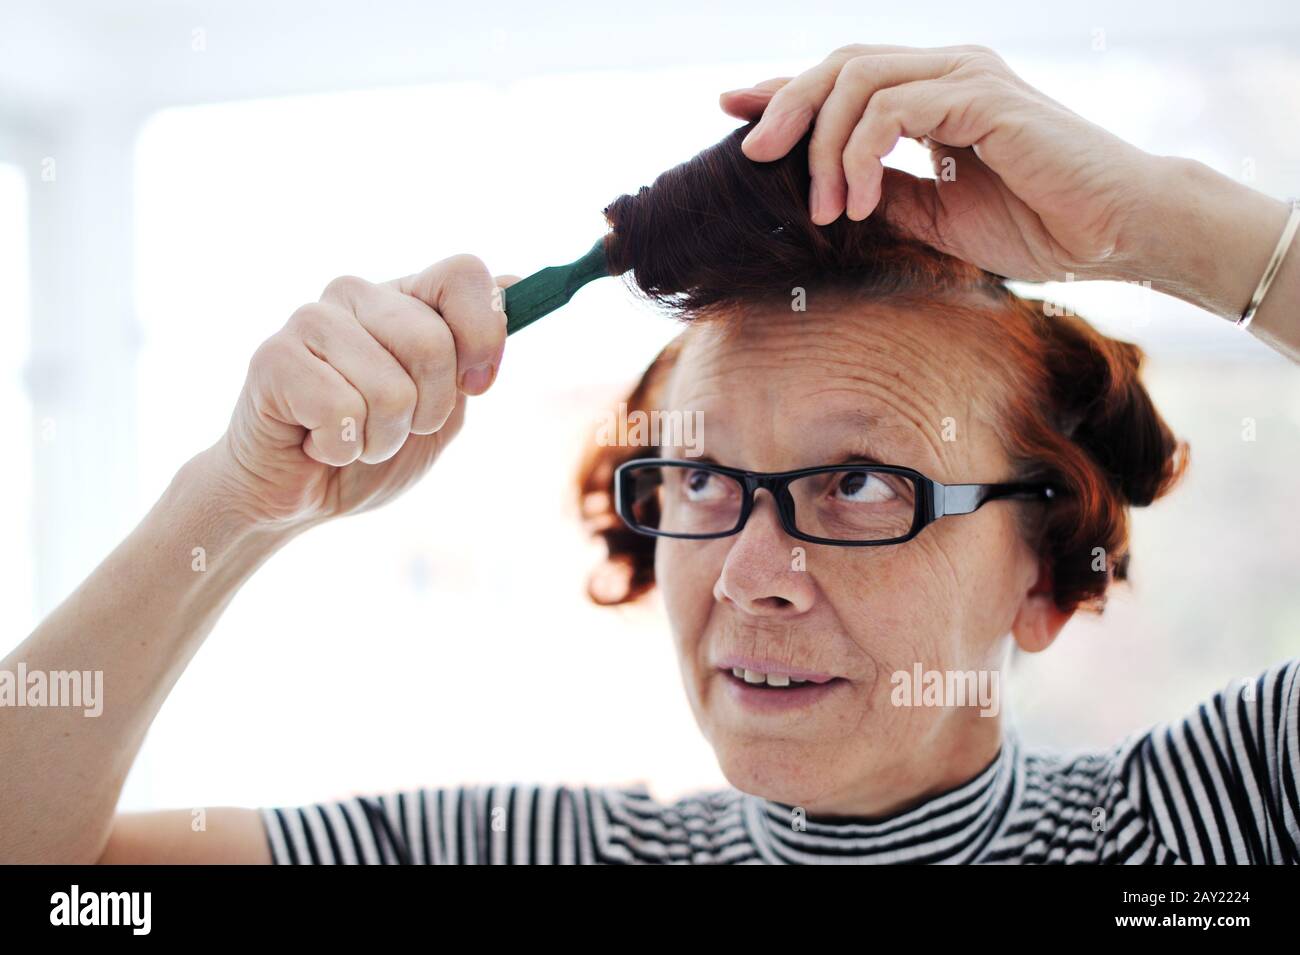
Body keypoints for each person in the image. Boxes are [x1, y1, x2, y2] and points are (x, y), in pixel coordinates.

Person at [2, 44, 1296, 864]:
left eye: (857, 483)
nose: (748, 575)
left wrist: (1157, 226)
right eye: (701, 481)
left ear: (1044, 572)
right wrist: (235, 501)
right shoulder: (532, 859)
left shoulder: (1208, 833)